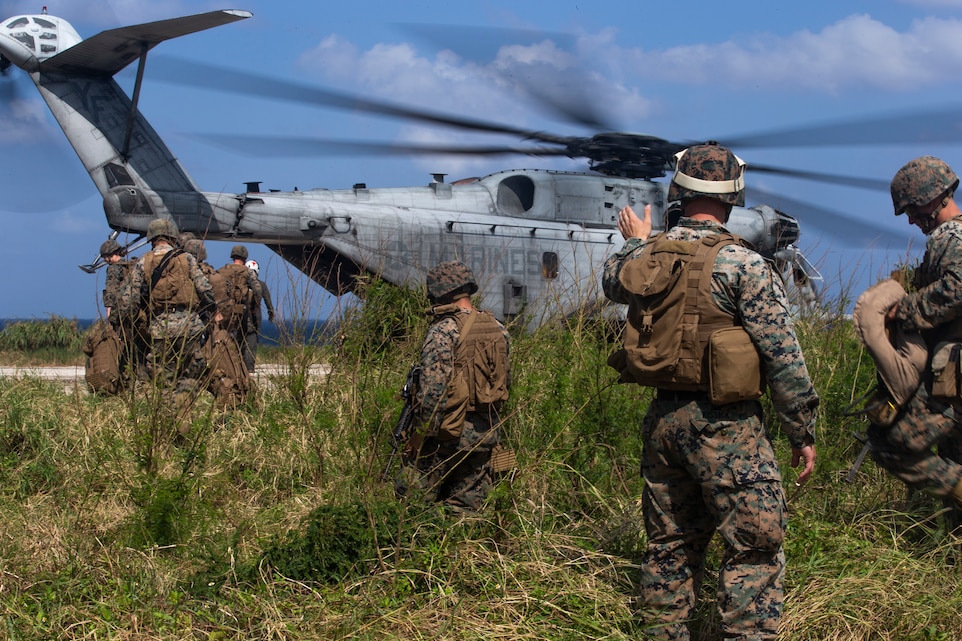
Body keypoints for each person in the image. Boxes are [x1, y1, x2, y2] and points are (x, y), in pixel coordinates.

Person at [602, 143, 818, 640]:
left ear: (678, 190)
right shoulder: (744, 264)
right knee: (754, 548)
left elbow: (614, 282)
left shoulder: (646, 256)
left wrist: (637, 241)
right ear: (734, 196)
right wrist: (800, 431)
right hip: (728, 427)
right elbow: (783, 356)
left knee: (669, 547)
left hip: (663, 423)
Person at [867, 156, 962, 508]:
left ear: (932, 198)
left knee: (890, 442)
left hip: (952, 374)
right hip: (949, 373)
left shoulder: (951, 237)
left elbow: (957, 288)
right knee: (955, 458)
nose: (910, 219)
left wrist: (903, 311)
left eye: (911, 209)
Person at [396, 260, 510, 512]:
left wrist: (418, 436)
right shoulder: (499, 329)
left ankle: (414, 545)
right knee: (467, 509)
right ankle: (464, 549)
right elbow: (504, 383)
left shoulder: (443, 331)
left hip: (447, 435)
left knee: (409, 500)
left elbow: (432, 393)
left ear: (439, 292)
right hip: (485, 435)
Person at [117, 218, 218, 414]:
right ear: (172, 236)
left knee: (163, 379)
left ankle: (170, 416)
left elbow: (129, 300)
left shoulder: (143, 261)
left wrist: (127, 322)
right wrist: (211, 310)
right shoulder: (187, 258)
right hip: (190, 327)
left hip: (161, 329)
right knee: (190, 372)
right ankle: (184, 408)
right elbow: (205, 290)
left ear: (152, 238)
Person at [216, 245, 261, 373]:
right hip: (241, 310)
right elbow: (257, 290)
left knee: (223, 336)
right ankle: (242, 367)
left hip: (224, 310)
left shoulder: (222, 270)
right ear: (244, 257)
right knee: (243, 338)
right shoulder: (247, 272)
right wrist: (255, 306)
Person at [243, 258, 276, 373]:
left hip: (240, 315)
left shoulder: (240, 283)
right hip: (254, 317)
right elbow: (268, 301)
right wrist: (271, 313)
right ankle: (250, 368)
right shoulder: (261, 285)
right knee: (251, 343)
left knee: (240, 342)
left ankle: (240, 366)